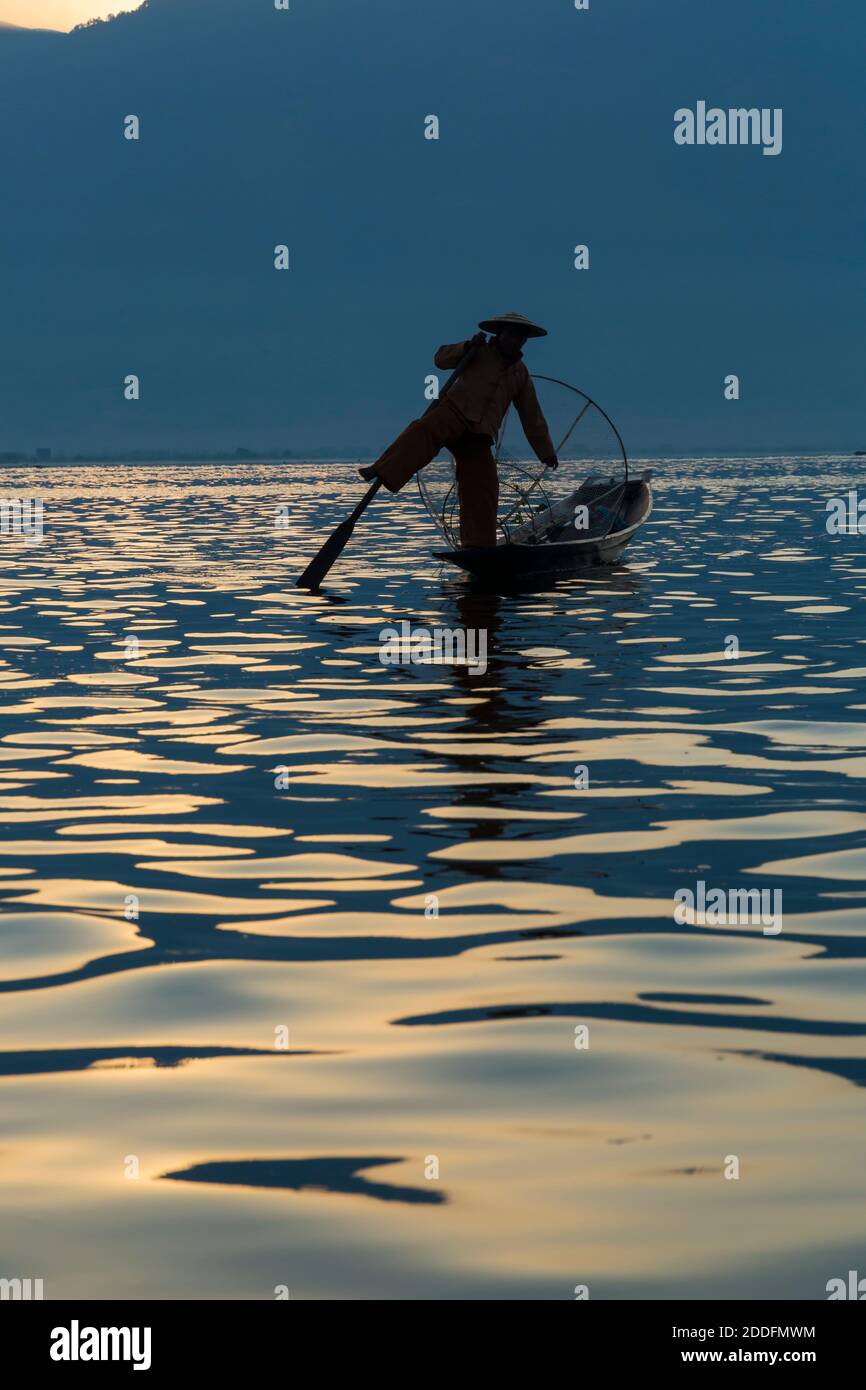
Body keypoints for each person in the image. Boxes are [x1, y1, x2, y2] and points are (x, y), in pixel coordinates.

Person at [358, 312, 559, 548]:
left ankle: (478, 546)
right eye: (513, 335)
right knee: (423, 431)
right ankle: (382, 469)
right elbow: (440, 359)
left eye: (521, 337)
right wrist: (465, 347)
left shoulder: (520, 374)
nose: (517, 341)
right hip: (453, 412)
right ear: (500, 334)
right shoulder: (478, 351)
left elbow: (531, 416)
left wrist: (546, 452)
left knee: (483, 488)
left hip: (480, 434)